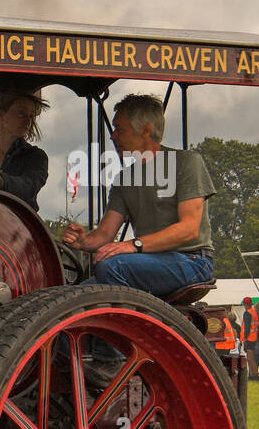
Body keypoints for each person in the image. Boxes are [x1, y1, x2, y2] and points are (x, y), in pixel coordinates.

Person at [61, 93, 215, 297]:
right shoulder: (125, 178)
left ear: (146, 130)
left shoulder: (186, 162)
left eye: (120, 129)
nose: (113, 135)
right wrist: (83, 242)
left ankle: (137, 323)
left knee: (112, 265)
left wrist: (133, 245)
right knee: (69, 299)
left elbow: (188, 230)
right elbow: (105, 234)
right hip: (146, 261)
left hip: (193, 261)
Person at [242, 296, 259, 379]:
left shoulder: (247, 313)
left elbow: (247, 327)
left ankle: (255, 375)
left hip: (249, 338)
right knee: (251, 358)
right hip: (254, 337)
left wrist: (245, 338)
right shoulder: (253, 312)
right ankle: (252, 375)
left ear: (244, 304)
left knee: (250, 358)